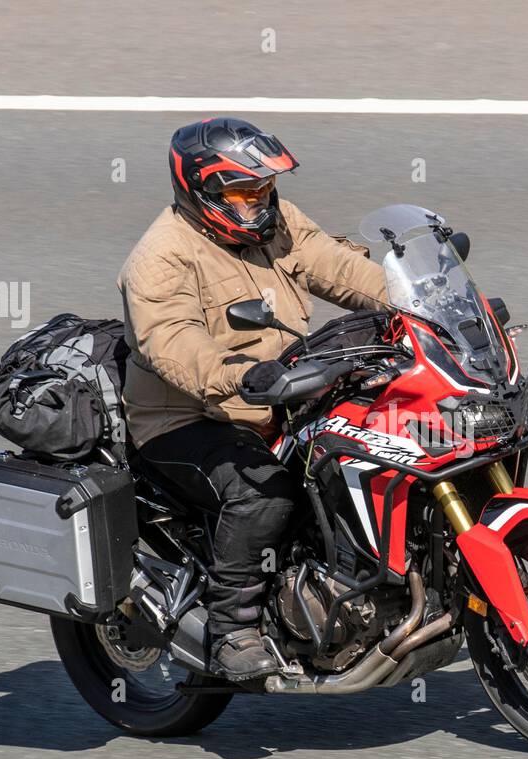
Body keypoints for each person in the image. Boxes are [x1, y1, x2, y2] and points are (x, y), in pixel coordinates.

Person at [117, 117, 388, 680]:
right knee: (265, 492)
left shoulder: (272, 220)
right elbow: (170, 340)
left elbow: (334, 265)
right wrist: (236, 375)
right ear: (203, 192)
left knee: (373, 440)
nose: (259, 204)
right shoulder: (160, 257)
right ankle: (232, 632)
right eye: (244, 193)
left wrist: (423, 305)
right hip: (187, 416)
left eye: (264, 190)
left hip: (278, 393)